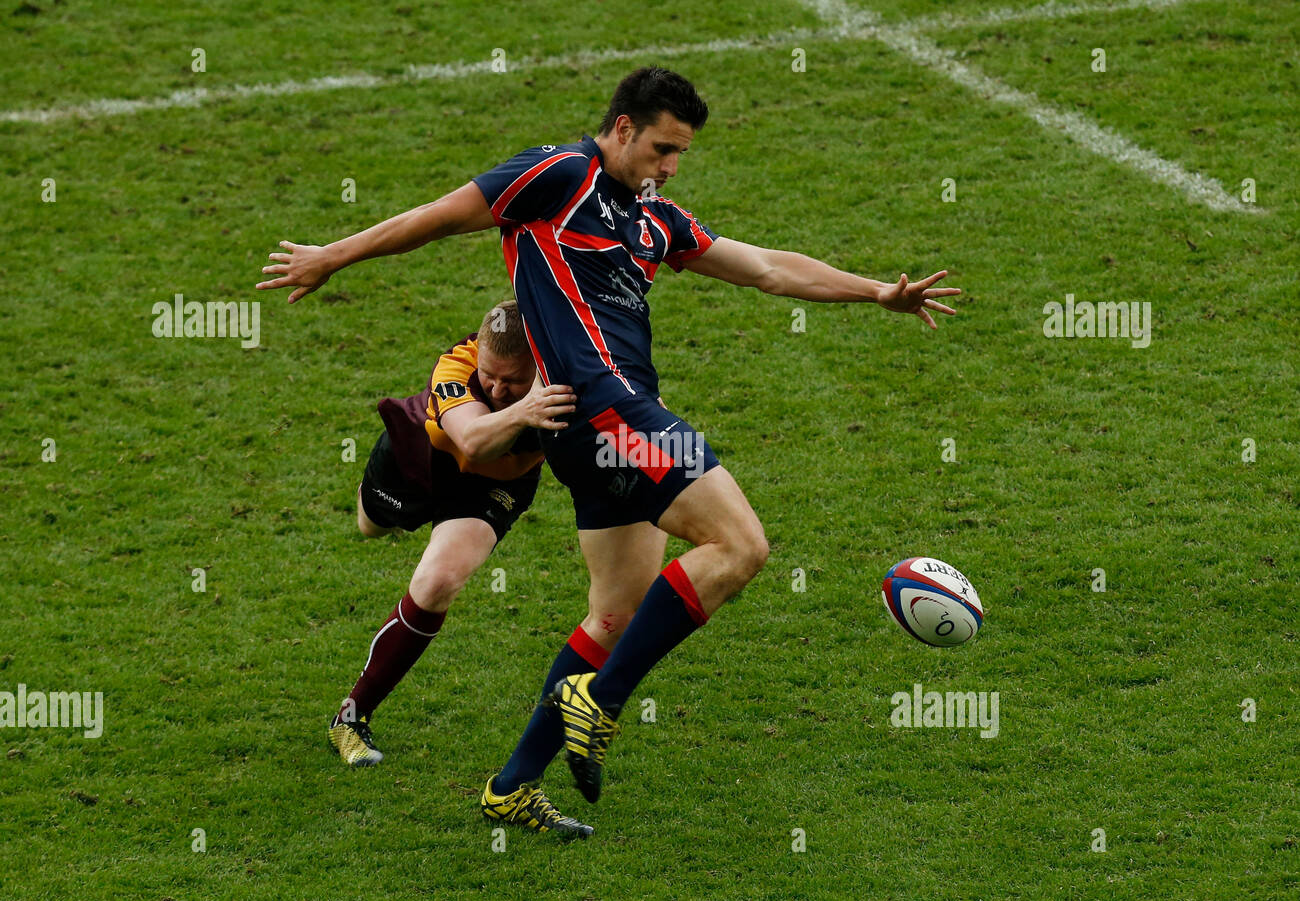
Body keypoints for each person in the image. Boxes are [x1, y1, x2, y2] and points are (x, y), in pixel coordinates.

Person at [257, 66, 960, 836]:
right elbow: (437, 216)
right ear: (622, 127)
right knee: (741, 544)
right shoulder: (557, 176)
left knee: (617, 612)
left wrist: (875, 292)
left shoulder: (655, 219)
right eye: (662, 148)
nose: (670, 167)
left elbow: (762, 268)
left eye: (681, 154)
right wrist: (334, 254)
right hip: (608, 411)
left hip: (592, 429)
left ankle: (513, 784)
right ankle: (603, 699)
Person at [330, 299, 593, 836]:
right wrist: (525, 407)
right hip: (418, 458)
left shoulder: (567, 372)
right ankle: (380, 504)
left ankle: (350, 718)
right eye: (490, 377)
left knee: (438, 581)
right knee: (370, 527)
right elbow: (472, 437)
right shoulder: (457, 366)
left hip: (492, 485)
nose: (496, 389)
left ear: (540, 363)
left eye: (513, 382)